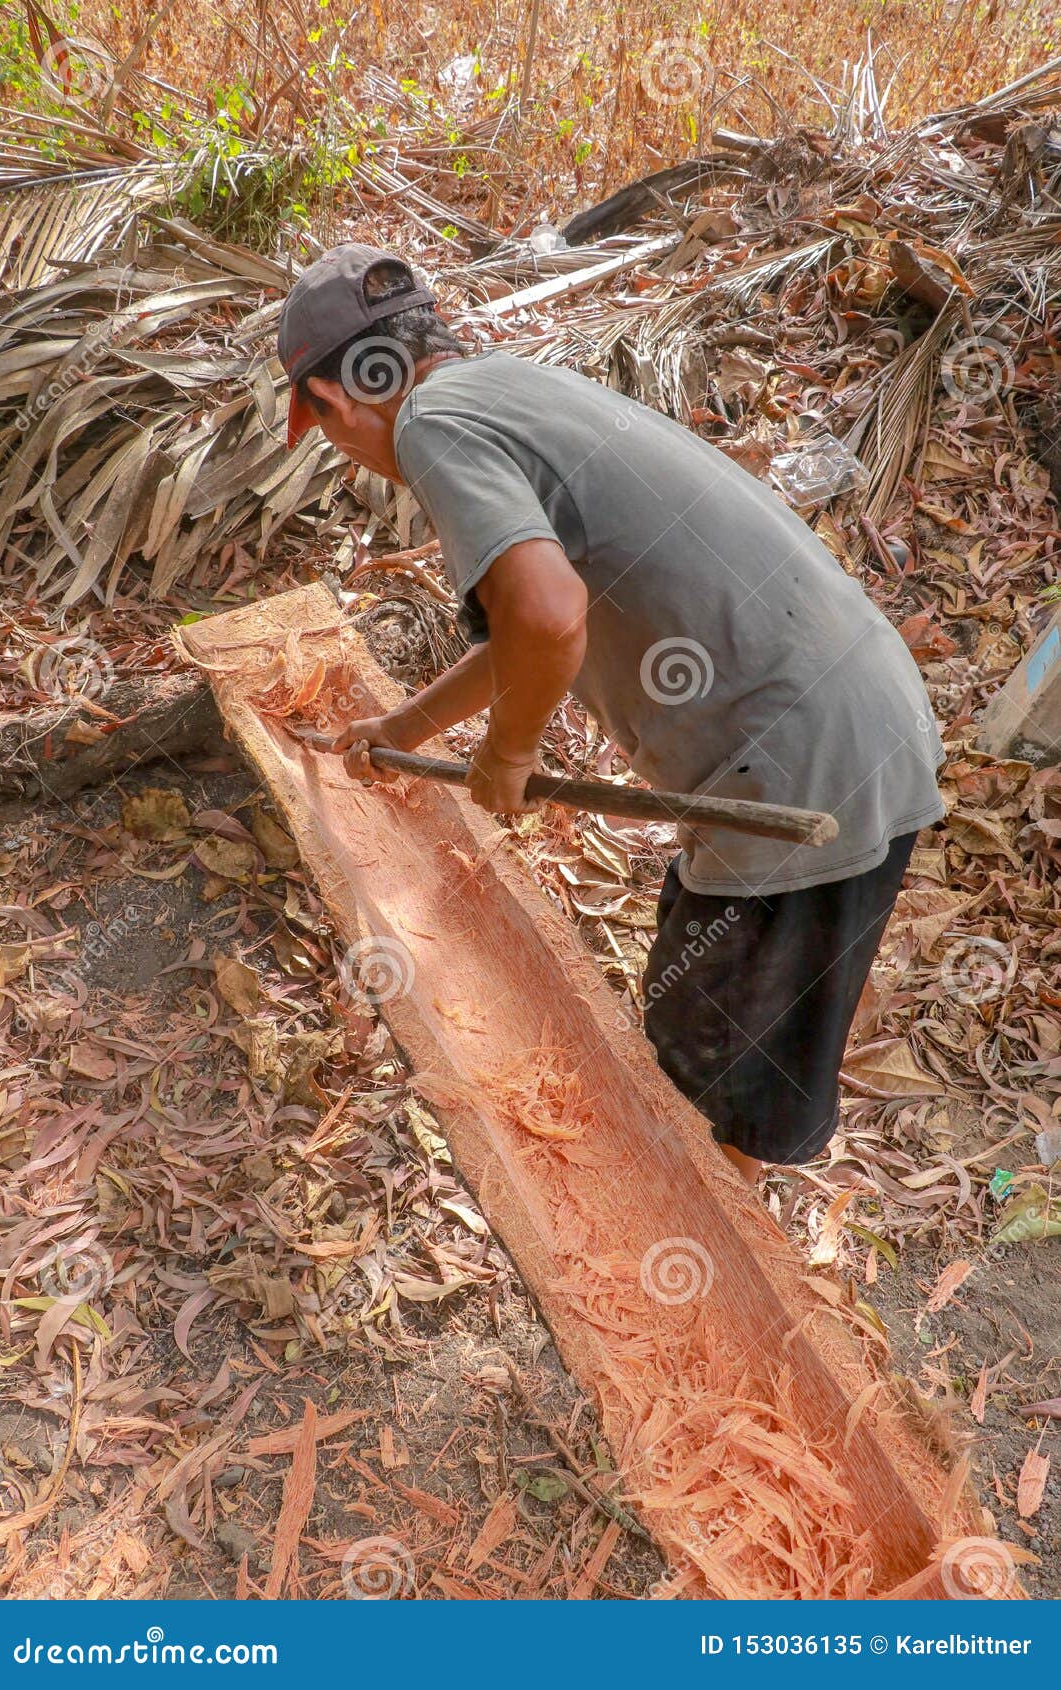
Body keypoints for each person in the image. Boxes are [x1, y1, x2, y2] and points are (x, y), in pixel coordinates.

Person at [277, 243, 945, 1183]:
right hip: (862, 711)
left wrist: (509, 756)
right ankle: (723, 1221)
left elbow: (548, 616)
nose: (352, 454)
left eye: (330, 436)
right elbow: (526, 628)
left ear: (333, 404)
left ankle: (715, 1273)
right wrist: (406, 731)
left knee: (710, 1045)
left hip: (799, 754)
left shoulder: (433, 423)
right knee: (731, 1016)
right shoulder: (505, 384)